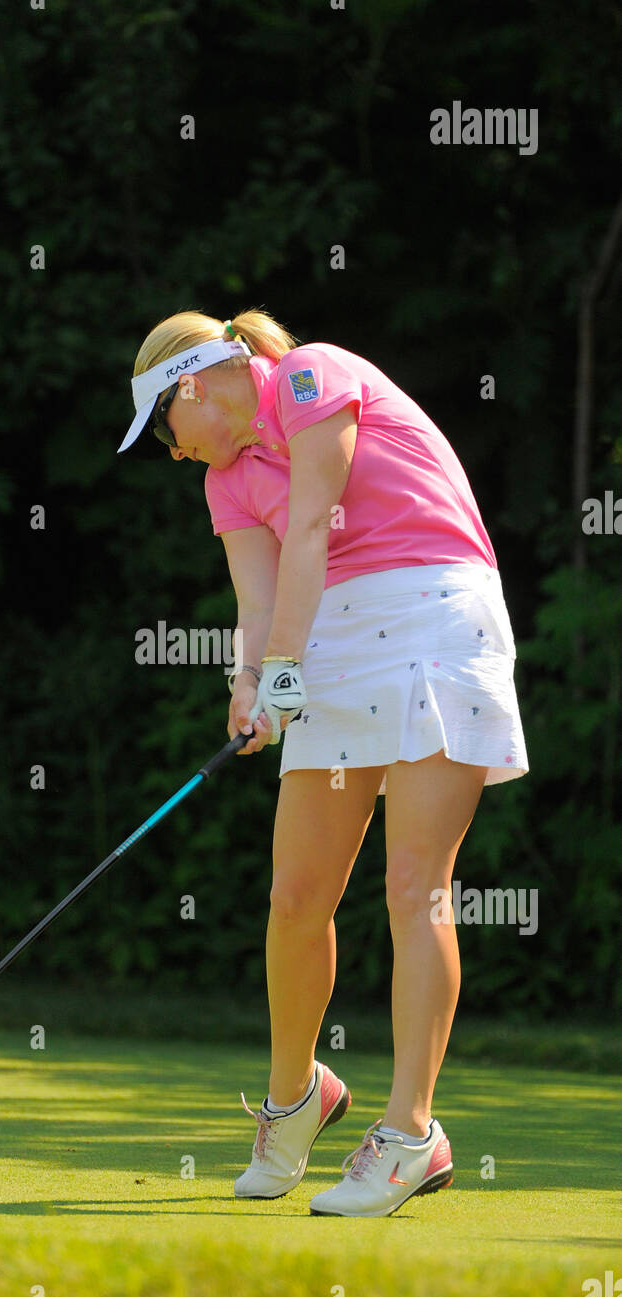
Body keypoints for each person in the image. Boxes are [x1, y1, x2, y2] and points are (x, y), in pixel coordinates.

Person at [117, 308, 528, 1217]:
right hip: (332, 635)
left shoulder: (310, 377)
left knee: (416, 882)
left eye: (163, 432)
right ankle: (300, 1098)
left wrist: (287, 671)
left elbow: (312, 527)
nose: (172, 453)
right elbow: (259, 601)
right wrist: (248, 682)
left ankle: (412, 1136)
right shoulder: (225, 482)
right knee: (296, 898)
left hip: (434, 614)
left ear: (191, 387)